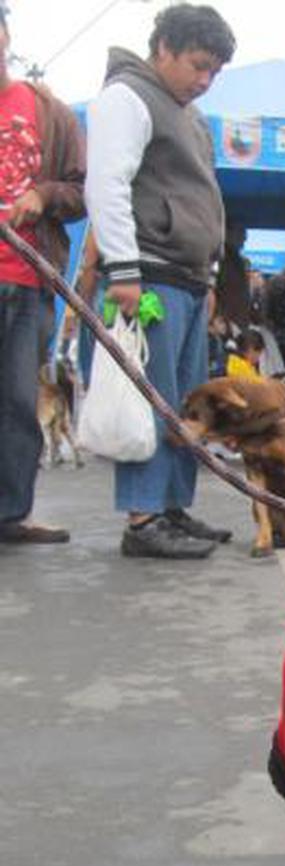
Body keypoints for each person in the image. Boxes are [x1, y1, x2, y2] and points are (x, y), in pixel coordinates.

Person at [85, 3, 236, 560]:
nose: (204, 81)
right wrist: (123, 270)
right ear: (163, 49)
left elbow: (206, 201)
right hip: (147, 277)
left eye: (214, 72)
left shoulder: (188, 115)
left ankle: (171, 505)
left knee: (183, 401)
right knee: (151, 397)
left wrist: (211, 273)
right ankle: (144, 517)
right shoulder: (127, 97)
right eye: (198, 65)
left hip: (188, 278)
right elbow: (107, 183)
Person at [0, 5, 85, 546]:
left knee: (17, 403)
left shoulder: (48, 110)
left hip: (27, 279)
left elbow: (79, 194)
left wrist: (43, 194)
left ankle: (12, 514)